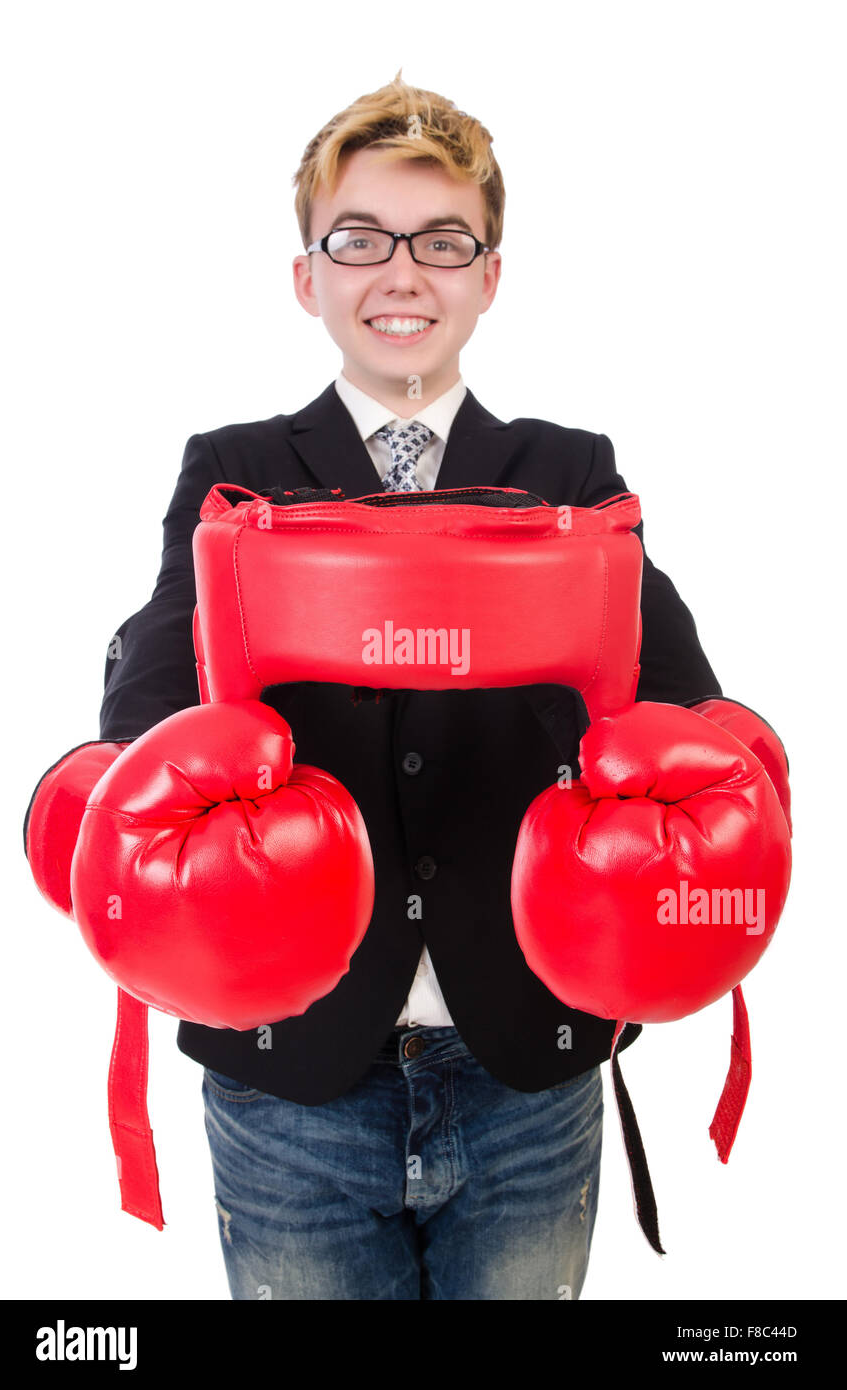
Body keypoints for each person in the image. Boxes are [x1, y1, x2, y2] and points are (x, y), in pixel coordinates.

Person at [97, 71, 722, 1300]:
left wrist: (713, 785)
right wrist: (125, 786)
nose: (402, 274)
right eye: (360, 239)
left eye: (443, 243)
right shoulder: (235, 472)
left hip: (524, 1071)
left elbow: (685, 697)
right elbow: (156, 684)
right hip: (294, 1082)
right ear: (308, 276)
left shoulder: (568, 474)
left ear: (489, 276)